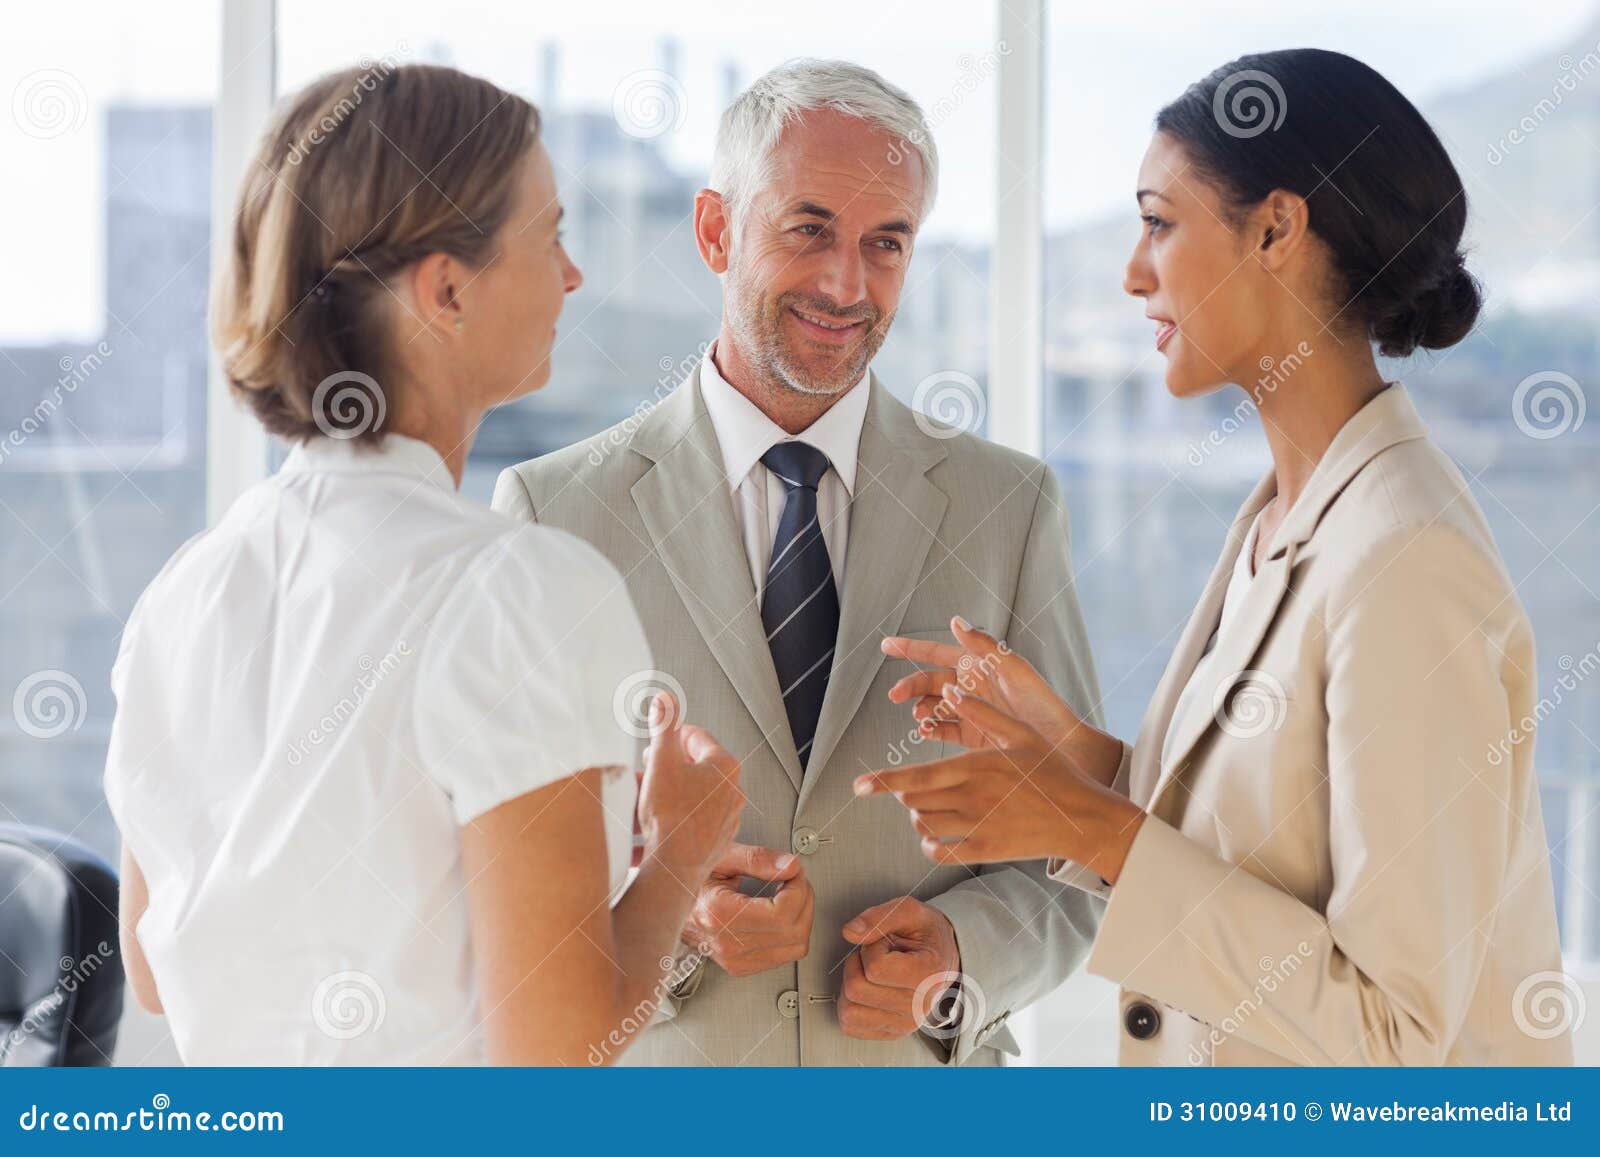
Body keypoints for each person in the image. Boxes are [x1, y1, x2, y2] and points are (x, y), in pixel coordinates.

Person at [860, 48, 1573, 1066]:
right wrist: (1081, 763)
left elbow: (1395, 1033)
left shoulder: (1406, 559)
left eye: (1159, 221)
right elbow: (1267, 846)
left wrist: (1096, 826)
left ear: (1277, 228)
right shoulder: (1279, 516)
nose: (1130, 270)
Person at [103, 63, 743, 1065]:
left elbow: (151, 968)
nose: (572, 275)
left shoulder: (183, 590)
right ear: (445, 289)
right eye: (550, 236)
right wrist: (678, 848)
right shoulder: (521, 589)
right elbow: (559, 1060)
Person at [492, 59, 1104, 1065]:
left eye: (886, 243)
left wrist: (961, 955)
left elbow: (1075, 848)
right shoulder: (554, 515)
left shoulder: (1010, 508)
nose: (845, 283)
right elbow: (507, 891)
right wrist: (675, 920)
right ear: (716, 231)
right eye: (808, 228)